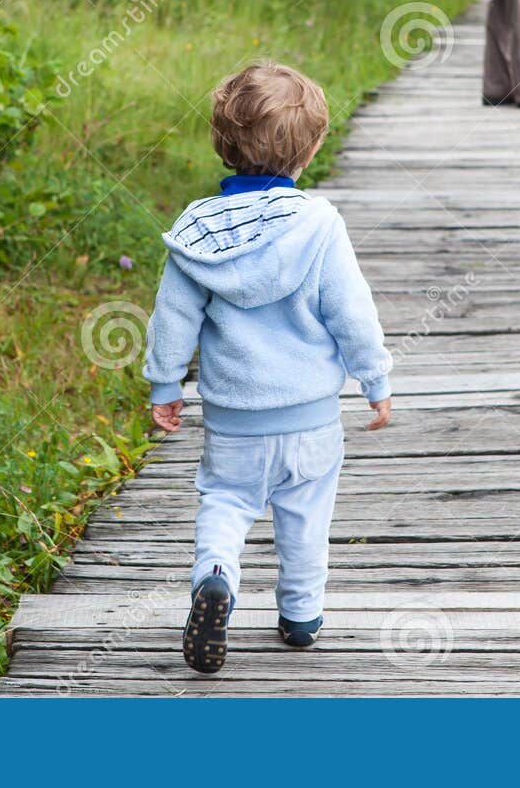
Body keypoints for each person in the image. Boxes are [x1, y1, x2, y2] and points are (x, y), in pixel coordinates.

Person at [142, 61, 393, 675]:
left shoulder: (197, 232)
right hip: (309, 418)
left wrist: (165, 382)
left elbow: (172, 316)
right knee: (306, 512)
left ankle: (216, 575)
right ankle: (301, 616)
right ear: (308, 151)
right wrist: (375, 377)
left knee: (224, 501)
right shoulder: (319, 225)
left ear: (224, 146)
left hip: (233, 419)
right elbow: (351, 312)